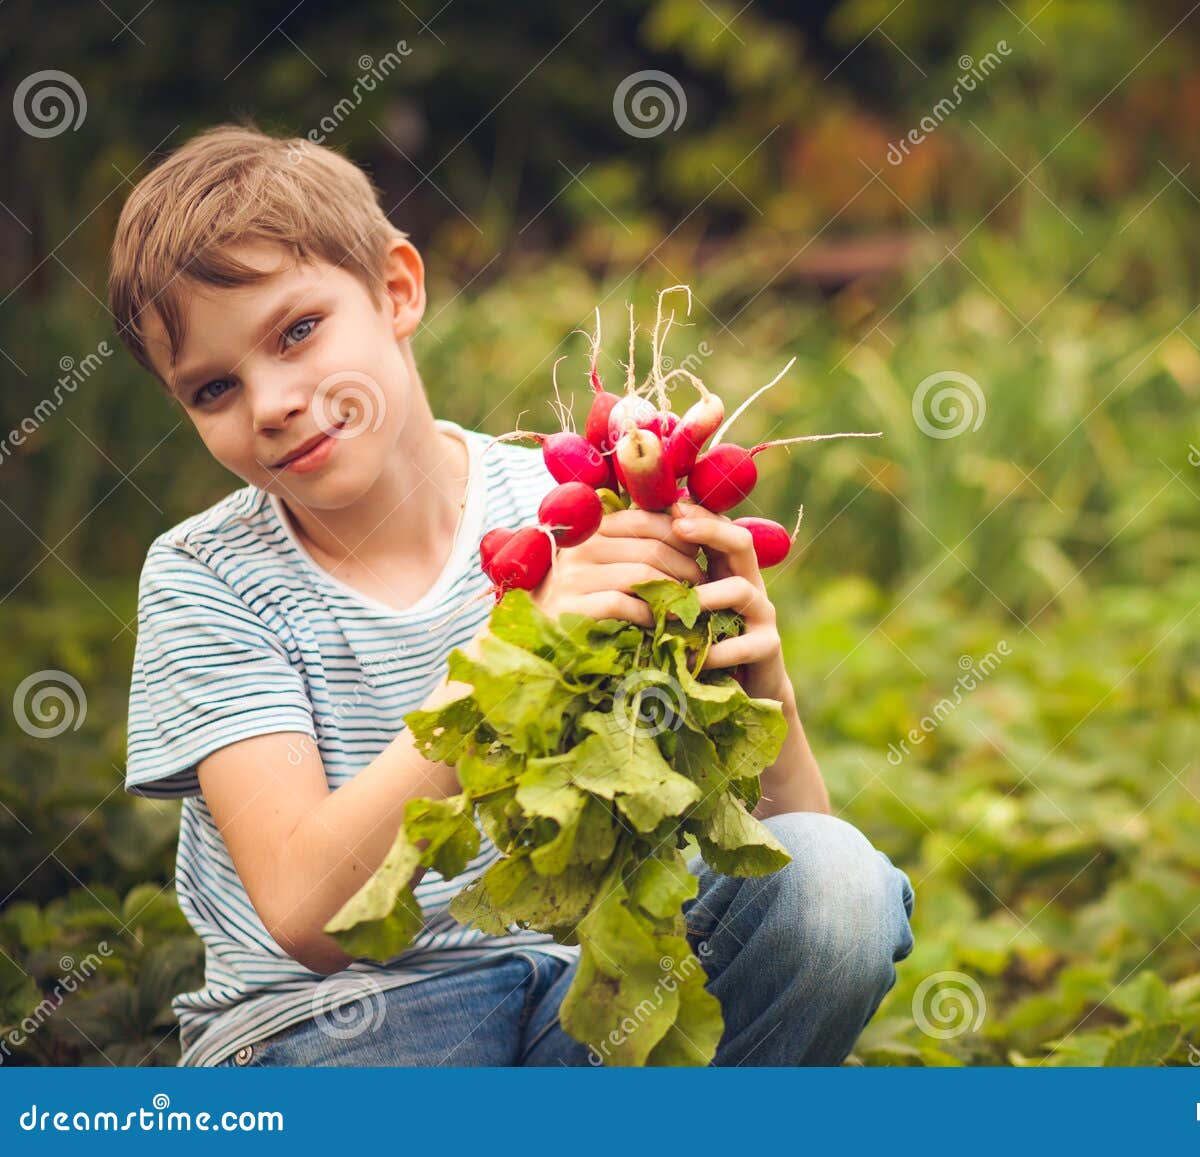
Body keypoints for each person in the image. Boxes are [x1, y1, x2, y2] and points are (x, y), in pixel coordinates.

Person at [107, 124, 913, 1067]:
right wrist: (512, 662)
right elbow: (307, 913)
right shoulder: (206, 575)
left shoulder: (571, 514)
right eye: (212, 389)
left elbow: (788, 857)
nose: (271, 401)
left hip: (571, 1004)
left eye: (297, 331)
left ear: (397, 290)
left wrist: (757, 686)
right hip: (335, 1030)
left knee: (838, 887)